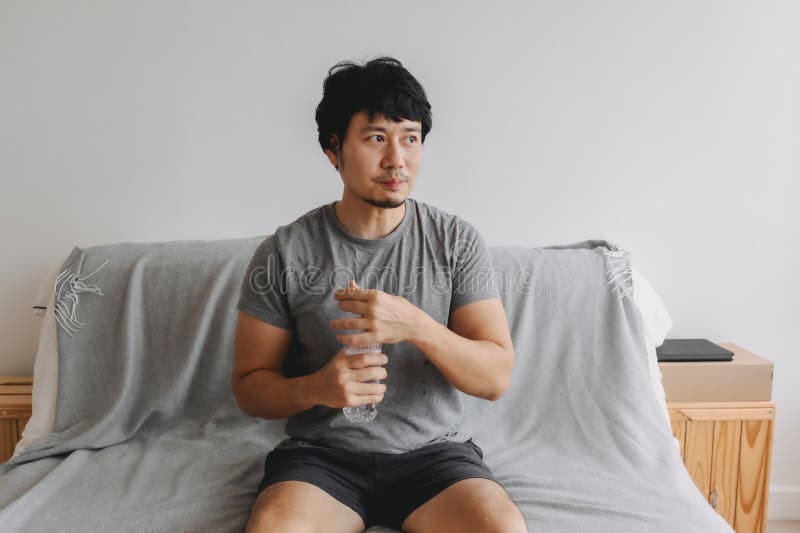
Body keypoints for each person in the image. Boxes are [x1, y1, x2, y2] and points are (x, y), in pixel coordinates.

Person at [232, 56, 527, 533]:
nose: (398, 160)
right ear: (333, 149)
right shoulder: (285, 251)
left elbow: (494, 378)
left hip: (435, 458)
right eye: (375, 139)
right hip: (322, 463)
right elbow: (249, 387)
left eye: (410, 138)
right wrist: (315, 388)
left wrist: (417, 326)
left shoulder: (455, 241)